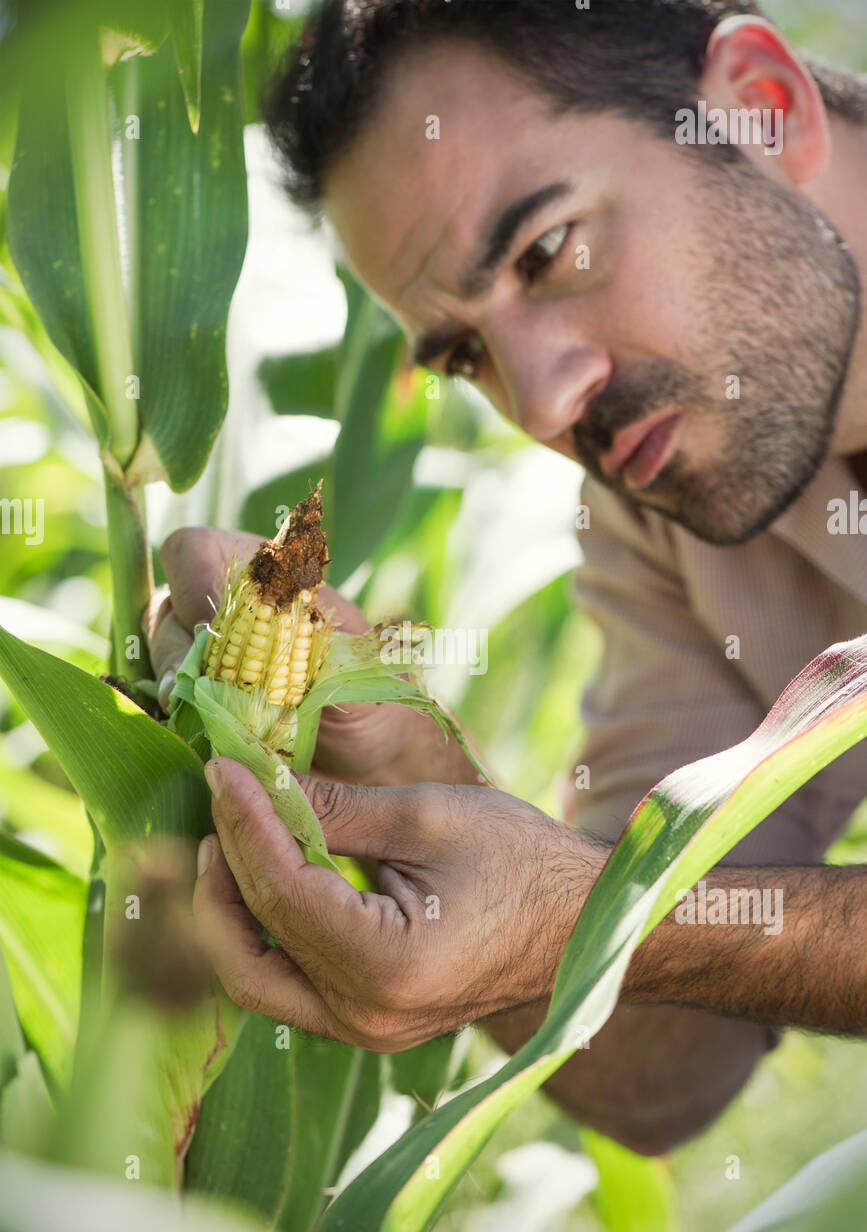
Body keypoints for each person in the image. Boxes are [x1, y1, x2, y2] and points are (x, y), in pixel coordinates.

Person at [147, 0, 867, 1155]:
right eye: (464, 355)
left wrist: (585, 913)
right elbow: (659, 1073)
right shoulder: (658, 506)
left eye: (549, 250)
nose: (538, 406)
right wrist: (425, 786)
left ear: (765, 110)